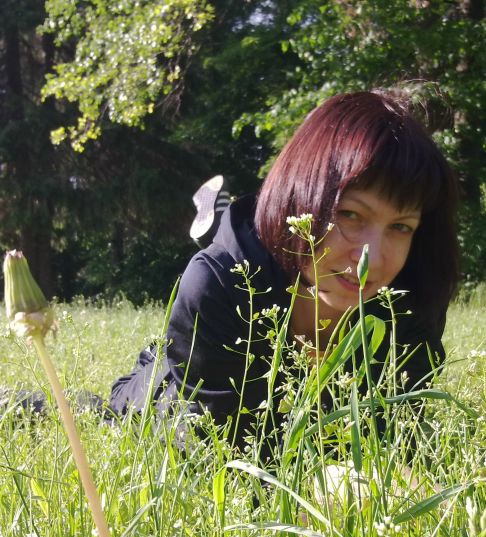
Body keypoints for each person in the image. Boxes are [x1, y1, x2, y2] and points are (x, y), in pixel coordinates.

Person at [109, 89, 460, 453]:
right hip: (187, 368)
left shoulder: (414, 293)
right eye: (350, 214)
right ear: (301, 198)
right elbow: (232, 454)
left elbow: (392, 433)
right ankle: (221, 221)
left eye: (400, 227)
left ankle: (220, 215)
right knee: (139, 411)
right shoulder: (217, 284)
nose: (371, 258)